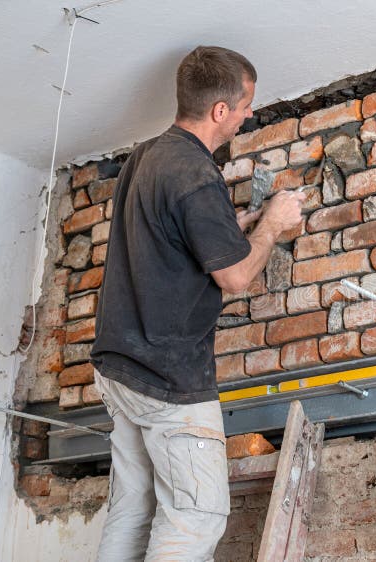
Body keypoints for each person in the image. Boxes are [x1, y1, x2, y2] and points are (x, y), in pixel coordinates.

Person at [90, 46, 304, 561]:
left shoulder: (147, 157)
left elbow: (176, 244)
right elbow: (234, 277)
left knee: (134, 506)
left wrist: (240, 229)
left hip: (119, 367)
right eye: (246, 104)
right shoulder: (196, 173)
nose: (251, 113)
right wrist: (273, 225)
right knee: (195, 515)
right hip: (168, 379)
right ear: (220, 112)